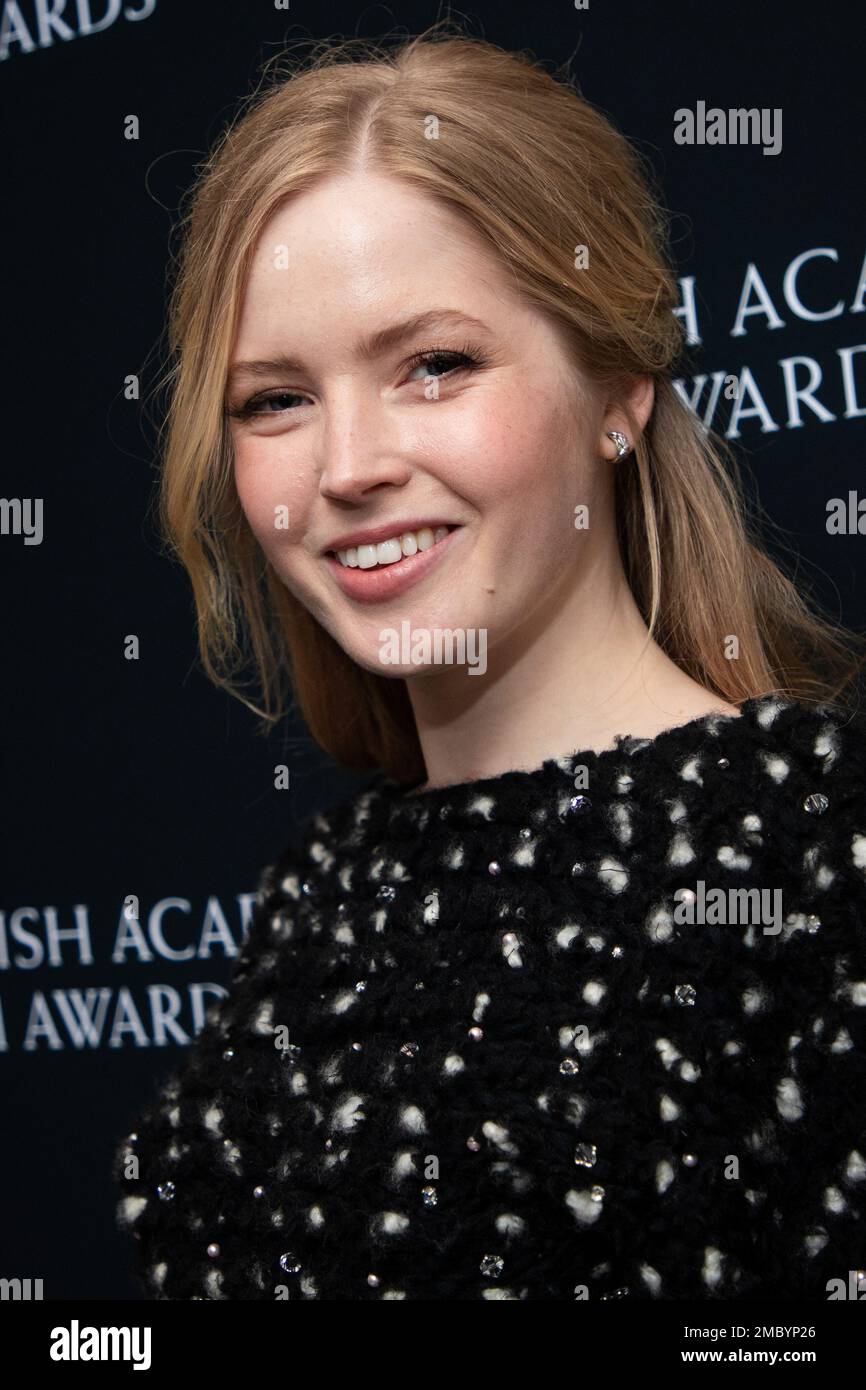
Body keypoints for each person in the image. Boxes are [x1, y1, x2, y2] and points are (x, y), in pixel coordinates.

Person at [114, 24, 866, 1301]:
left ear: (618, 386)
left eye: (435, 365)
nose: (346, 466)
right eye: (274, 399)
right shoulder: (318, 896)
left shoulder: (823, 857)